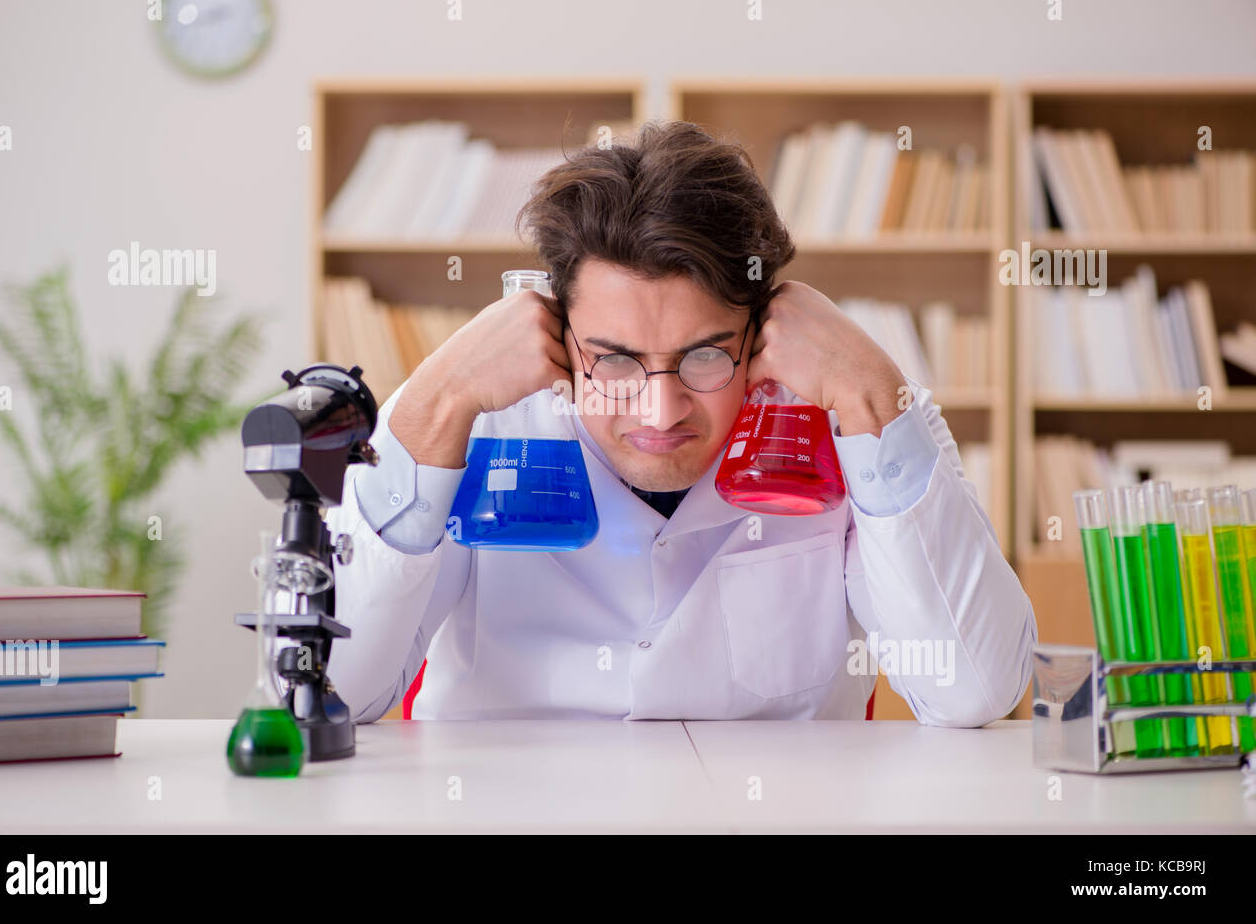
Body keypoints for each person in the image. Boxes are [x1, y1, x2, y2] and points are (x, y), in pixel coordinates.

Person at [324, 119, 1036, 725]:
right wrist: (434, 398)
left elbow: (974, 689)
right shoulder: (484, 425)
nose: (660, 411)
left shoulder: (848, 426)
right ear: (555, 330)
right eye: (615, 359)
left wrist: (876, 394)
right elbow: (330, 692)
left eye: (704, 356)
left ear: (761, 333)